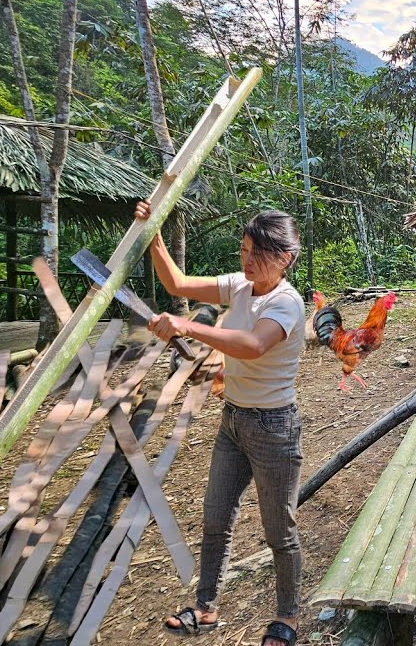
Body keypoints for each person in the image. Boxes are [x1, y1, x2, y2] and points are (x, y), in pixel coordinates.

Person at [135, 202, 307, 646]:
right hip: (233, 421)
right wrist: (152, 233)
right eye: (245, 250)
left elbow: (251, 344)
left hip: (274, 429)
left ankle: (287, 616)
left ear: (286, 257)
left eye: (259, 254)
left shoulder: (286, 302)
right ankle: (206, 606)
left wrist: (188, 327)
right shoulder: (240, 287)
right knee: (216, 517)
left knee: (278, 530)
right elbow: (176, 282)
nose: (247, 261)